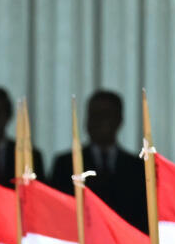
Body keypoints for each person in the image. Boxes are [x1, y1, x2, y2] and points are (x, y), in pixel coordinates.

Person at [49, 89, 149, 230]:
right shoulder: (65, 164)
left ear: (119, 119)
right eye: (95, 115)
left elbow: (143, 218)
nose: (100, 121)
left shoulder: (137, 168)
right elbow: (57, 213)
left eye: (106, 114)